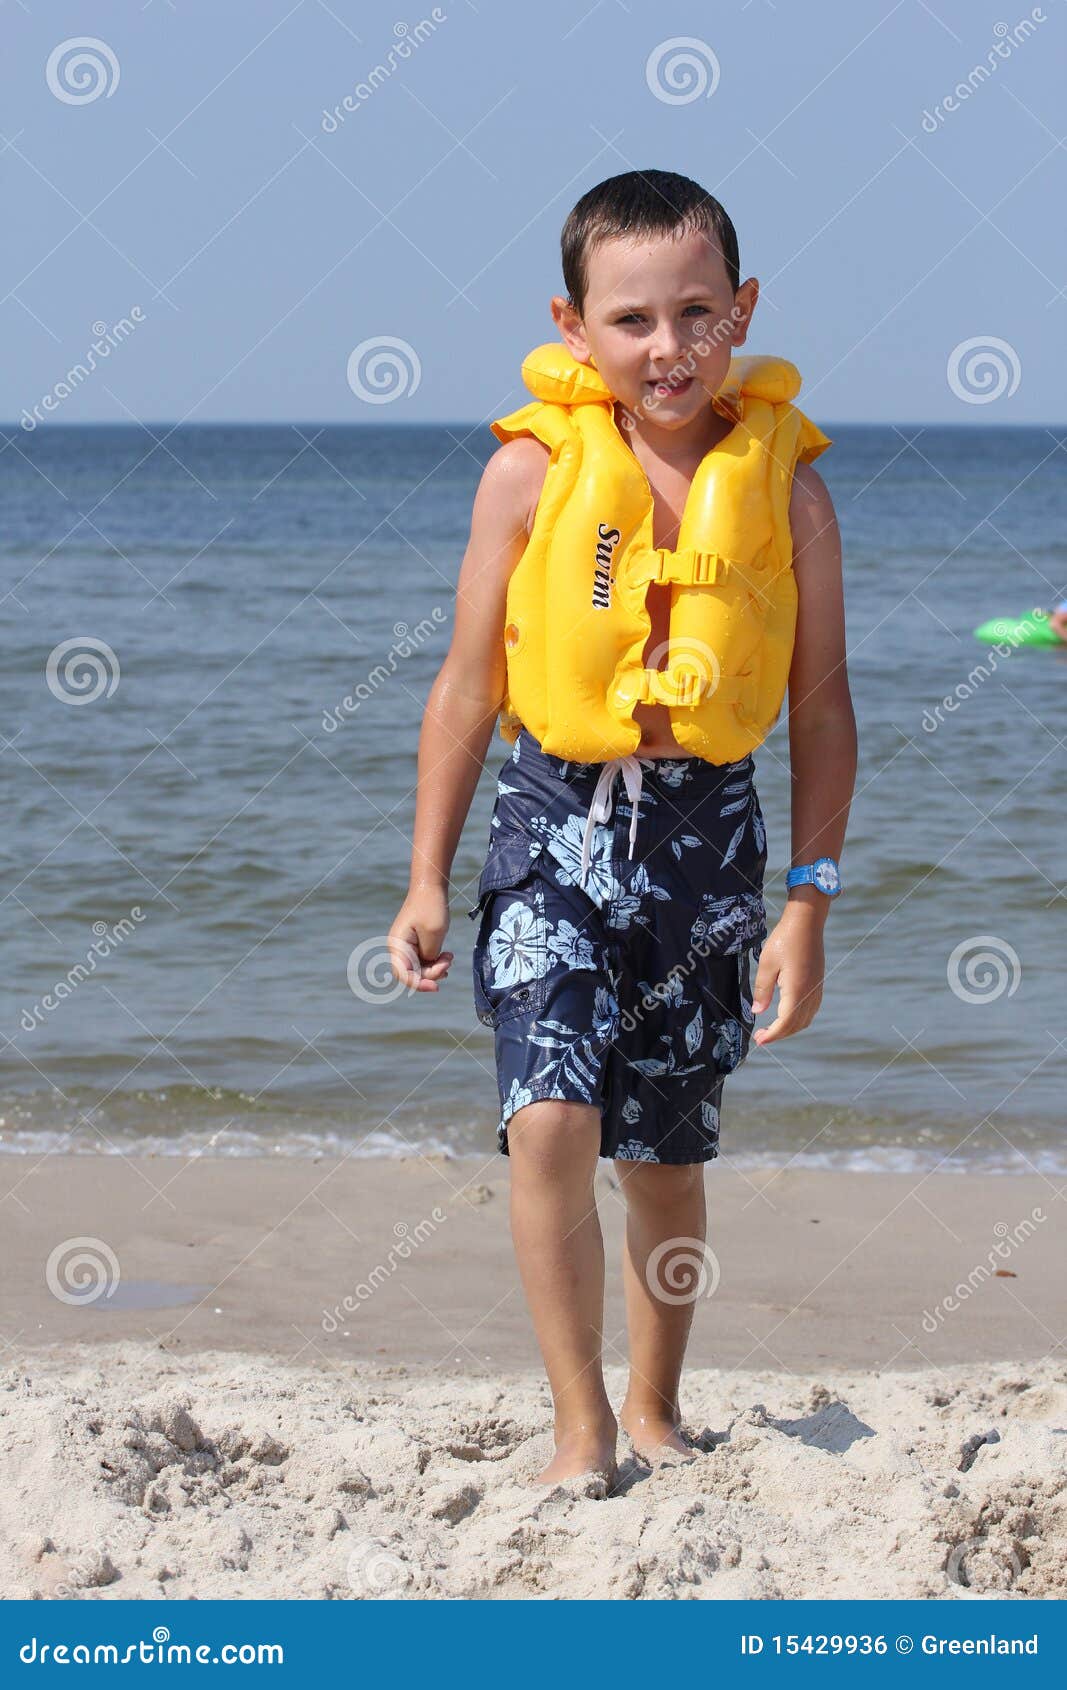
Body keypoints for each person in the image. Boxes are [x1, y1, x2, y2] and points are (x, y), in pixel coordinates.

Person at [388, 169, 857, 1490]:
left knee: (664, 1151)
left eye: (699, 314)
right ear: (574, 323)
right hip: (550, 819)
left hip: (709, 840)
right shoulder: (528, 475)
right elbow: (467, 685)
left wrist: (809, 903)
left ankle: (655, 1404)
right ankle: (580, 1425)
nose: (671, 348)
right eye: (635, 319)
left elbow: (823, 715)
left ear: (744, 310)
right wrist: (425, 874)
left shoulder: (792, 494)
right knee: (549, 1117)